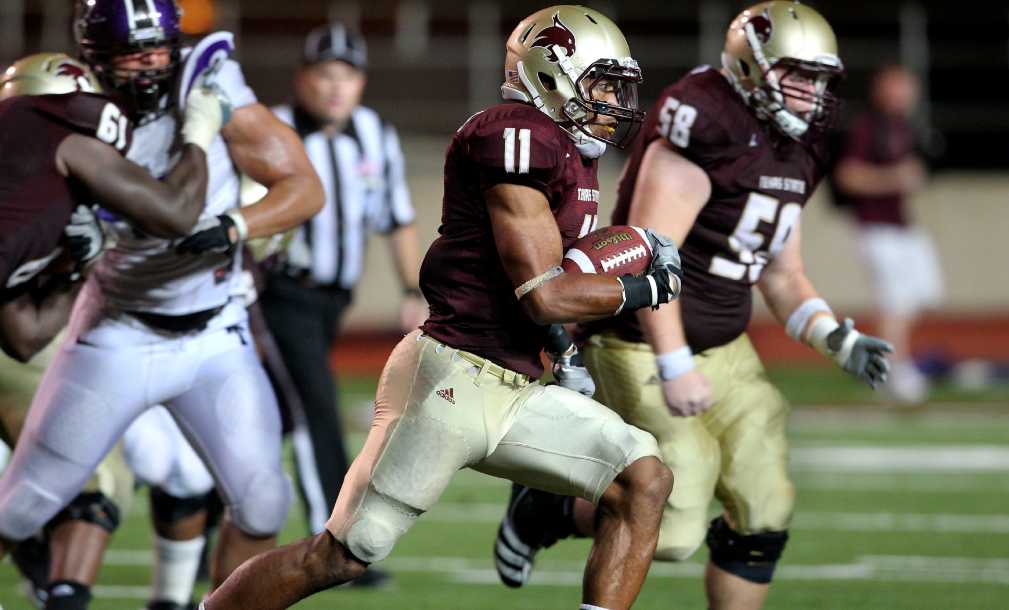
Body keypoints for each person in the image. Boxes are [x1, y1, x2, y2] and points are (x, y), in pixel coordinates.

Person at [201, 6, 682, 610]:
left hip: (514, 390)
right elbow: (544, 293)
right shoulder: (516, 137)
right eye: (601, 85)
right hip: (449, 381)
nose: (613, 101)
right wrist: (645, 289)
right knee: (342, 554)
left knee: (642, 478)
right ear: (551, 76)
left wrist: (562, 349)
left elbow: (546, 279)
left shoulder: (568, 150)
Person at [493, 4, 893, 610]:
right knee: (676, 524)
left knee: (765, 503)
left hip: (725, 345)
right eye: (797, 75)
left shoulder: (800, 143)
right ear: (752, 67)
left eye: (819, 78)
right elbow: (653, 255)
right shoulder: (708, 120)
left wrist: (835, 336)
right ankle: (545, 508)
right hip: (641, 341)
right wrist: (675, 360)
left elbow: (781, 272)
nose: (811, 92)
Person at [0, 3, 324, 609]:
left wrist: (237, 224)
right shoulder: (71, 109)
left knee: (262, 502)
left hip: (215, 335)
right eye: (132, 52)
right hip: (114, 332)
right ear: (96, 59)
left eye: (157, 48)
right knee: (20, 508)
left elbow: (305, 187)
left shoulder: (207, 87)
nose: (150, 64)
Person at [0, 51, 217, 610]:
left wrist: (77, 268)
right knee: (94, 480)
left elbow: (22, 336)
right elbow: (175, 214)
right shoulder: (63, 132)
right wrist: (198, 137)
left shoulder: (24, 190)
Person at [263, 21, 425, 544]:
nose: (336, 87)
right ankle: (331, 540)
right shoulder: (272, 130)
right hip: (279, 294)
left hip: (334, 300)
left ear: (361, 82)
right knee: (317, 409)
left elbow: (397, 218)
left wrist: (411, 291)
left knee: (271, 415)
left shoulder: (374, 134)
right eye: (325, 74)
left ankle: (195, 510)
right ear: (302, 78)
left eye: (347, 76)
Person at [833, 64, 942, 404]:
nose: (906, 94)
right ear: (881, 89)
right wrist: (896, 177)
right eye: (899, 86)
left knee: (924, 293)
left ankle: (876, 358)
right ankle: (896, 370)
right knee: (894, 300)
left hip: (903, 225)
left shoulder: (905, 127)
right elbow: (848, 176)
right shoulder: (866, 127)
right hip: (874, 225)